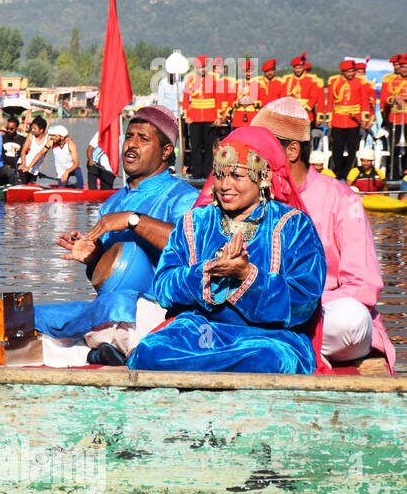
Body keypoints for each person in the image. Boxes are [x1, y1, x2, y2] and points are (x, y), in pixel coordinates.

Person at [127, 126, 327, 374]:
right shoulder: (194, 222)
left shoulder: (293, 225)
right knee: (151, 353)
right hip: (202, 331)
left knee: (265, 361)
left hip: (270, 336)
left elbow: (304, 301)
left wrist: (247, 277)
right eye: (220, 175)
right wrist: (207, 272)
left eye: (237, 176)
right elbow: (164, 287)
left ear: (262, 177)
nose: (225, 185)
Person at [37, 106, 199, 366]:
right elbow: (109, 277)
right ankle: (98, 351)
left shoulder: (184, 197)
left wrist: (133, 220)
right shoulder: (112, 204)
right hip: (111, 306)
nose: (131, 145)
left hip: (163, 310)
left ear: (166, 151)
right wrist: (94, 258)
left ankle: (100, 350)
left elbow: (192, 247)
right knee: (34, 316)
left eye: (143, 139)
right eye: (129, 136)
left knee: (118, 305)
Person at [252, 98, 396, 372]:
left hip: (324, 316)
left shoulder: (342, 200)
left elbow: (364, 287)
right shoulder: (252, 195)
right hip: (262, 310)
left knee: (352, 320)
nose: (251, 156)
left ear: (291, 150)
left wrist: (293, 302)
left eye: (261, 148)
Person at [326, 60, 373, 181]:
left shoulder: (360, 82)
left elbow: (364, 101)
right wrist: (329, 118)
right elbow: (330, 101)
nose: (352, 73)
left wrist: (364, 119)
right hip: (338, 119)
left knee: (353, 148)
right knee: (337, 148)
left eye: (353, 71)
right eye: (349, 71)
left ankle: (349, 171)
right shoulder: (334, 82)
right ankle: (337, 171)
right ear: (343, 72)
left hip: (353, 120)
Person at [182, 56, 217, 179]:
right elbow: (186, 98)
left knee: (208, 147)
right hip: (195, 117)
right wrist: (186, 114)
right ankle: (197, 173)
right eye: (199, 67)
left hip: (209, 117)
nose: (202, 69)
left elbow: (218, 98)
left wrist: (217, 116)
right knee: (195, 147)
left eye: (203, 67)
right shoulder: (190, 79)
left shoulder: (213, 79)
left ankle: (208, 173)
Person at [380, 54, 407, 181]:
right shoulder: (391, 81)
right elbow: (385, 97)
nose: (404, 69)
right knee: (394, 147)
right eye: (402, 67)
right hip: (395, 117)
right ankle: (394, 173)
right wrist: (394, 98)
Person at [280, 53, 326, 127]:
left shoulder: (311, 80)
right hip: (291, 114)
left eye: (300, 68)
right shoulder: (287, 80)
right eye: (296, 68)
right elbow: (283, 96)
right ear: (293, 68)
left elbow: (313, 97)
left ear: (304, 67)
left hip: (306, 114)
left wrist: (306, 109)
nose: (298, 70)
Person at [19, 116, 50, 182]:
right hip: (24, 164)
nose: (32, 130)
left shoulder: (48, 139)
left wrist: (30, 167)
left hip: (34, 169)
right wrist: (23, 164)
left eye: (34, 128)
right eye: (32, 128)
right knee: (23, 183)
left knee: (30, 185)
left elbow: (40, 154)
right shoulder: (31, 135)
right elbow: (23, 150)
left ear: (41, 130)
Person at [0, 115, 25, 183]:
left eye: (11, 129)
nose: (9, 131)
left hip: (17, 170)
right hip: (4, 170)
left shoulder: (23, 140)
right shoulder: (1, 139)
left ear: (16, 128)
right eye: (7, 128)